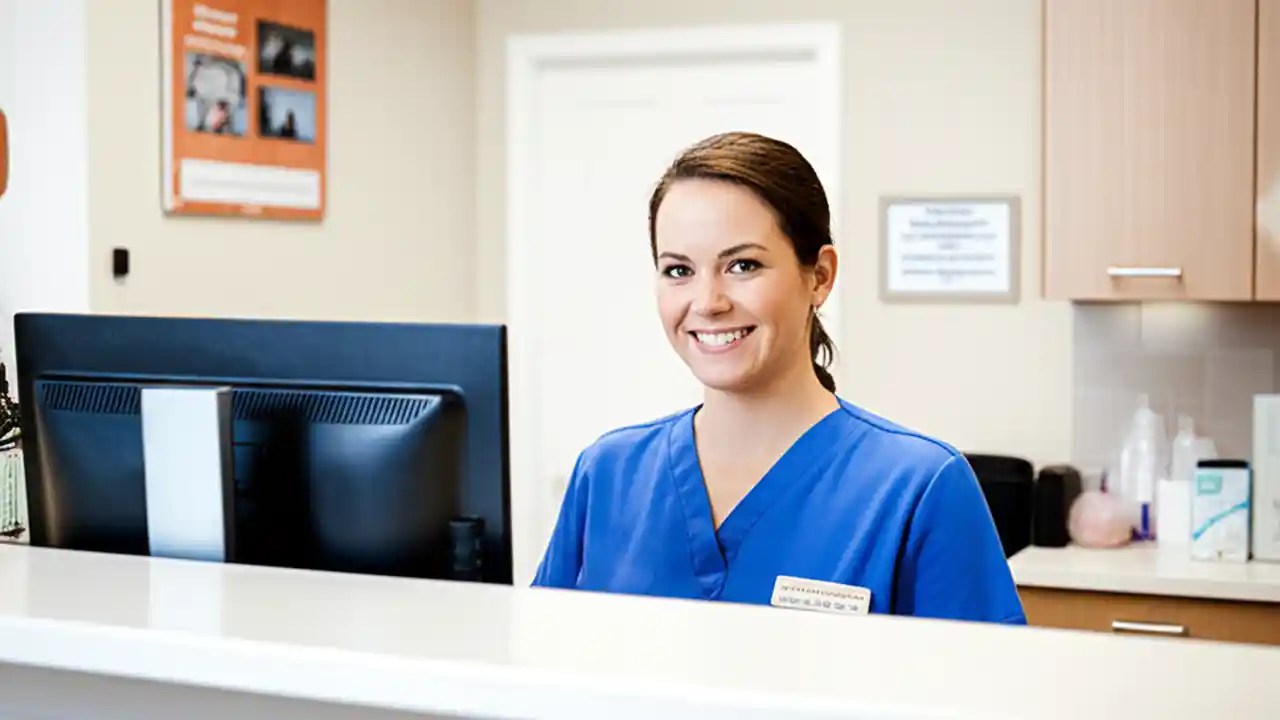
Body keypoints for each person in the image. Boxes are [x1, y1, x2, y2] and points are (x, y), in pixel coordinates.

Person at [531, 131, 1025, 625]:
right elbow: (539, 658)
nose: (707, 302)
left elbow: (979, 674)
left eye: (742, 265)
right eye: (679, 271)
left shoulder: (917, 488)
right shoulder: (608, 474)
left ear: (820, 276)